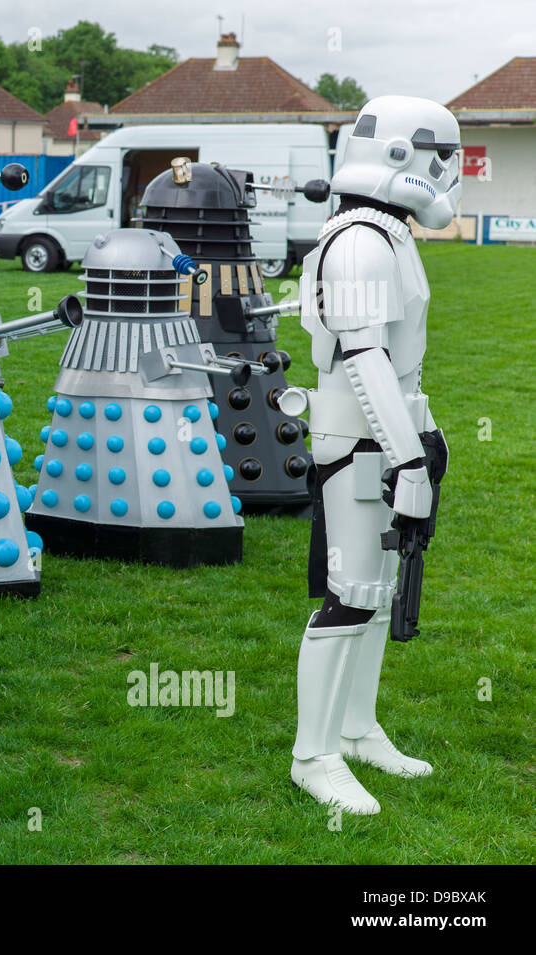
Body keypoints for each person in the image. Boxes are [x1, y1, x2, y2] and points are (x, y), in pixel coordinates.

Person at [290, 95, 459, 814]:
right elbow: (363, 359)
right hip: (358, 437)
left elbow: (393, 364)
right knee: (351, 593)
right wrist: (408, 458)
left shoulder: (382, 233)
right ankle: (313, 752)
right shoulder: (359, 239)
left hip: (385, 435)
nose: (445, 174)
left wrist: (418, 441)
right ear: (399, 154)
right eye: (438, 156)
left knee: (377, 592)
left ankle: (355, 728)